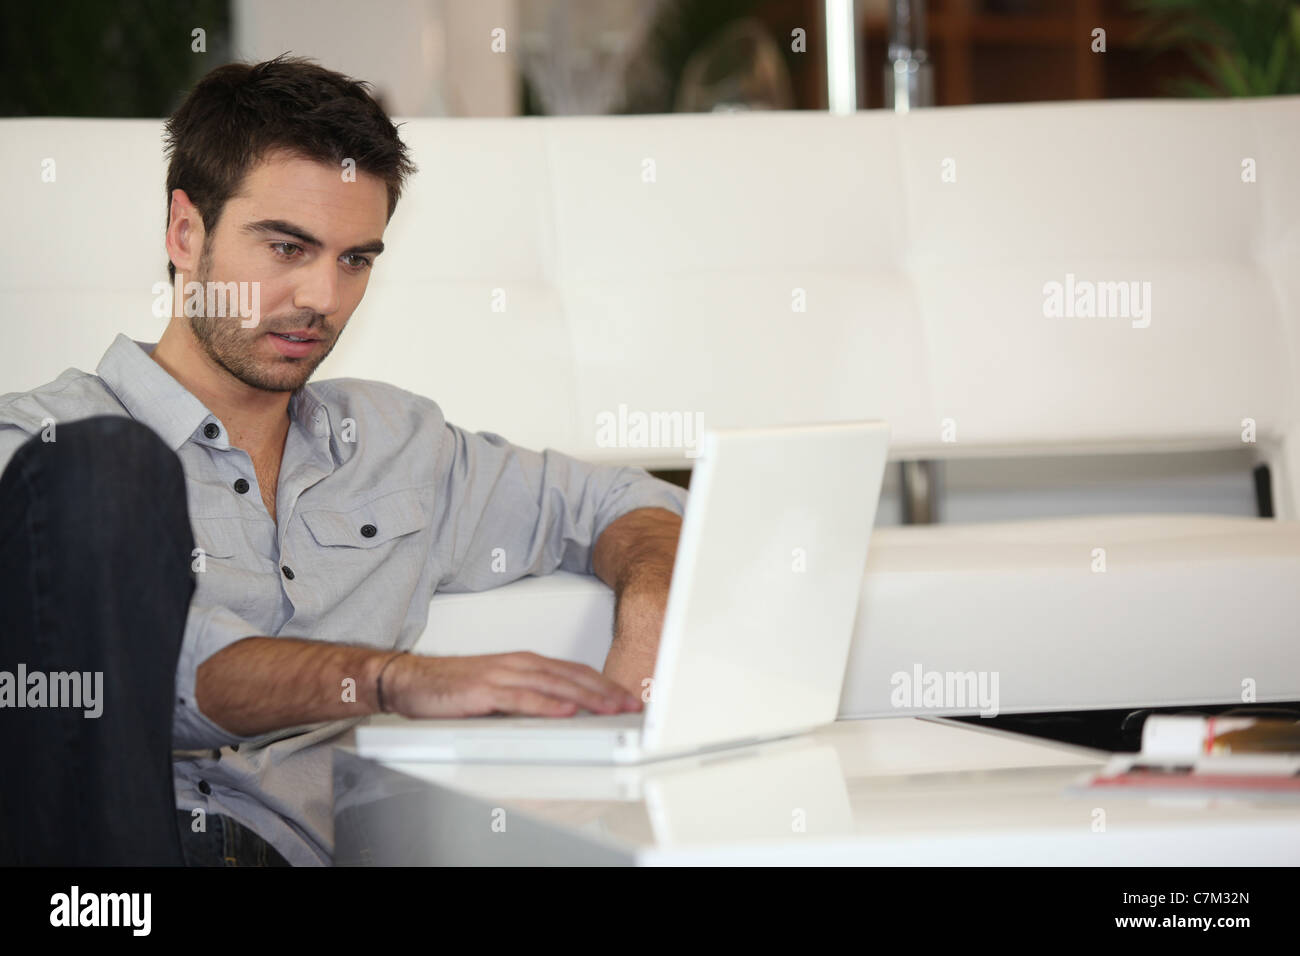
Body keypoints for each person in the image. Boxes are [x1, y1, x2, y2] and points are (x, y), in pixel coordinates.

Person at [0, 55, 685, 866]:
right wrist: (393, 679)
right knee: (103, 469)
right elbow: (148, 675)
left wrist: (643, 643)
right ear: (186, 233)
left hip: (297, 854)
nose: (323, 298)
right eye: (288, 248)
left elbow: (624, 502)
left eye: (355, 259)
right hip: (102, 872)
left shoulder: (398, 445)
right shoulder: (34, 447)